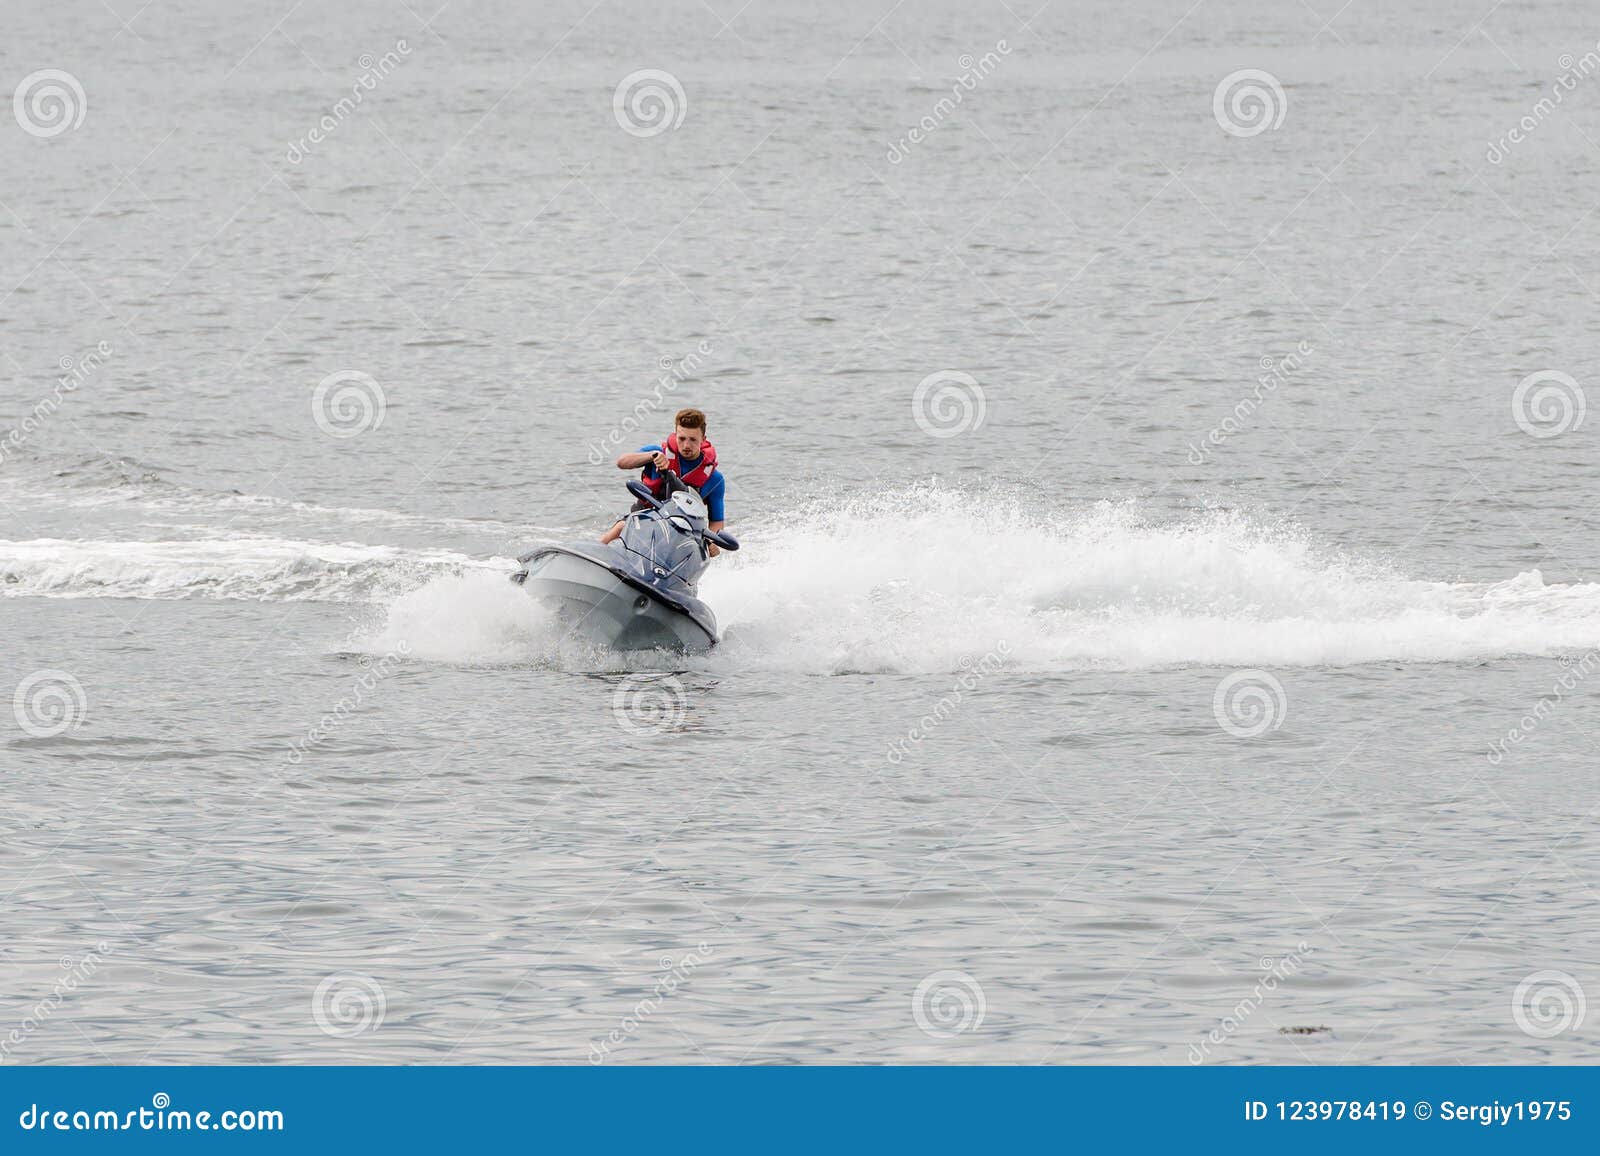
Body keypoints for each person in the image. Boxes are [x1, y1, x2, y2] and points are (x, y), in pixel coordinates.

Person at [600, 408, 728, 554]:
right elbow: (622, 462)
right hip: (645, 519)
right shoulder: (656, 452)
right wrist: (651, 456)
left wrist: (711, 543)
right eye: (682, 438)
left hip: (682, 533)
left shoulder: (715, 479)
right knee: (621, 526)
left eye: (693, 440)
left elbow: (717, 521)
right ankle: (595, 553)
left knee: (707, 550)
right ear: (675, 435)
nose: (686, 445)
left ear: (703, 439)